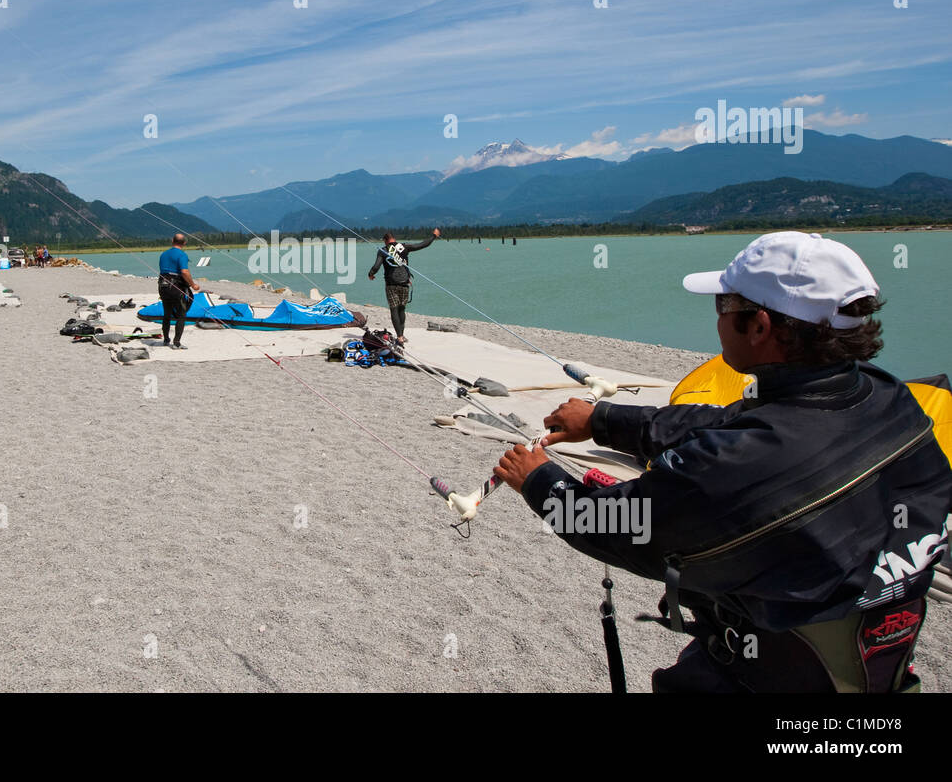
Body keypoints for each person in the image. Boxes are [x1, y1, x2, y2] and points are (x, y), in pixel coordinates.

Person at [492, 231, 952, 692]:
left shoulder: (737, 467)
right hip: (880, 666)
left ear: (760, 327)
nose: (717, 319)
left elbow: (615, 524)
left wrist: (538, 480)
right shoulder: (886, 395)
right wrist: (605, 419)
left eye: (723, 306)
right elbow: (728, 422)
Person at [367, 228, 440, 344]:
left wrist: (370, 274)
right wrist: (434, 236)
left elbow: (376, 267)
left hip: (391, 285)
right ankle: (402, 335)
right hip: (405, 284)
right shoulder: (404, 247)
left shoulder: (383, 250)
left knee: (394, 310)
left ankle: (400, 337)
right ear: (394, 238)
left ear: (386, 241)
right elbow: (422, 245)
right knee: (402, 309)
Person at [157, 233, 200, 349]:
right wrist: (193, 285)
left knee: (167, 313)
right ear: (184, 243)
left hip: (162, 286)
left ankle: (166, 339)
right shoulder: (182, 255)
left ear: (172, 241)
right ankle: (176, 343)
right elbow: (184, 272)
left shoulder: (163, 254)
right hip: (175, 288)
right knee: (182, 314)